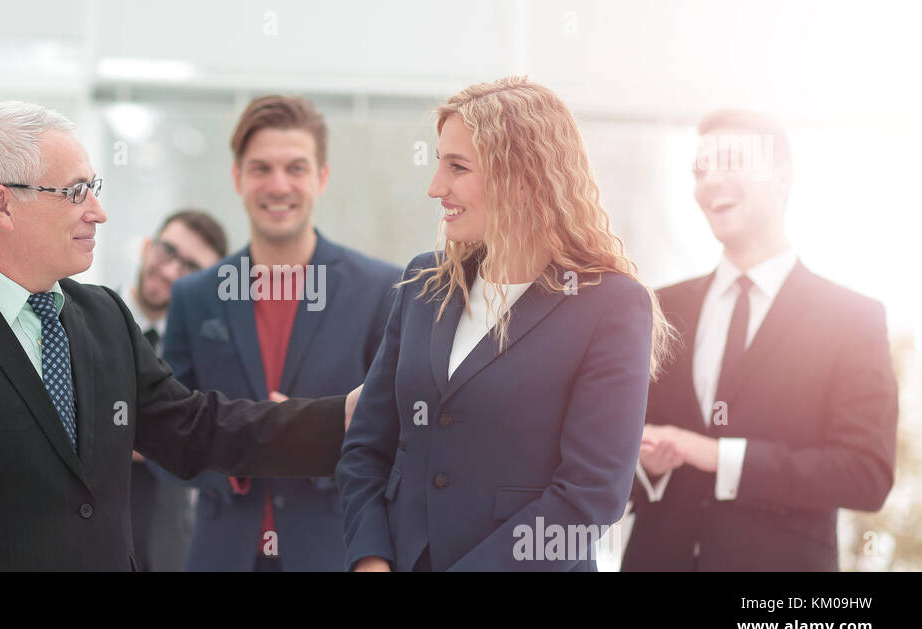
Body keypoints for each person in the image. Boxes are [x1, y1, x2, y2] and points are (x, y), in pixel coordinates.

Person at [0, 101, 349, 571]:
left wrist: (344, 417)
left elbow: (198, 429)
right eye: (75, 192)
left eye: (93, 189)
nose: (97, 211)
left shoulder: (104, 318)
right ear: (3, 205)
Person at [336, 76, 672, 572]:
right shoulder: (422, 285)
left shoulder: (611, 306)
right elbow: (367, 447)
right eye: (437, 162)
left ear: (520, 174)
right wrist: (370, 560)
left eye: (458, 167)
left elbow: (588, 499)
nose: (435, 187)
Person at [621, 109, 897, 571]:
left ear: (782, 178)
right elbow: (610, 455)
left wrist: (718, 456)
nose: (710, 182)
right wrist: (646, 466)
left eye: (730, 163)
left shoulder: (852, 319)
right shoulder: (658, 309)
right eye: (700, 170)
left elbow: (865, 474)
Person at [164, 95, 400, 571]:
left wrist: (302, 436)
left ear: (322, 177)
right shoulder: (194, 296)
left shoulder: (379, 289)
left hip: (332, 552)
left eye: (296, 168)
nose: (278, 185)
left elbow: (394, 432)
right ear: (237, 177)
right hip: (221, 555)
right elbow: (163, 428)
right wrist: (240, 453)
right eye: (261, 168)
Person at [124, 209, 228, 571]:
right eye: (167, 252)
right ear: (148, 246)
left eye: (191, 268)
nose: (170, 272)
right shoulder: (78, 320)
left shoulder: (212, 355)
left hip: (171, 548)